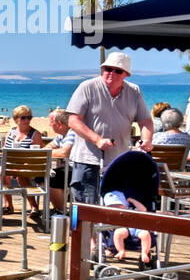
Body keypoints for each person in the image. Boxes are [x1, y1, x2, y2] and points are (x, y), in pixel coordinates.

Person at [65, 52, 152, 205]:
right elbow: (73, 120)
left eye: (117, 70)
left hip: (119, 162)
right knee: (85, 210)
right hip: (88, 160)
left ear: (126, 74)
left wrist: (147, 140)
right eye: (107, 69)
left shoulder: (134, 91)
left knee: (116, 209)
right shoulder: (87, 87)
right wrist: (97, 140)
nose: (111, 73)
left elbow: (145, 121)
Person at [1, 104, 45, 216]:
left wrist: (23, 164)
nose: (27, 120)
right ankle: (8, 205)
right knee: (1, 174)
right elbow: (6, 151)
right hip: (12, 164)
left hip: (29, 165)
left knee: (22, 174)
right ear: (16, 119)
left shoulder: (35, 135)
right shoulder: (11, 133)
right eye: (23, 117)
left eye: (29, 117)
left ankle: (34, 206)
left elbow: (38, 156)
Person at [102, 190, 153, 264]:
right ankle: (121, 250)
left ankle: (144, 253)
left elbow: (143, 210)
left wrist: (133, 201)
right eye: (111, 206)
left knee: (145, 235)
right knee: (118, 233)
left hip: (138, 228)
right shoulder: (111, 216)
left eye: (118, 205)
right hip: (124, 228)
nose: (115, 208)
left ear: (124, 204)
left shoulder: (131, 209)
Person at [43, 109, 75, 212]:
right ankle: (58, 207)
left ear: (59, 123)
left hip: (76, 168)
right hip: (66, 168)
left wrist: (44, 153)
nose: (49, 125)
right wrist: (45, 151)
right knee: (40, 176)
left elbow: (64, 153)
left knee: (52, 178)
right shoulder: (61, 135)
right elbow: (49, 146)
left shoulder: (72, 133)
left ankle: (62, 211)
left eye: (51, 122)